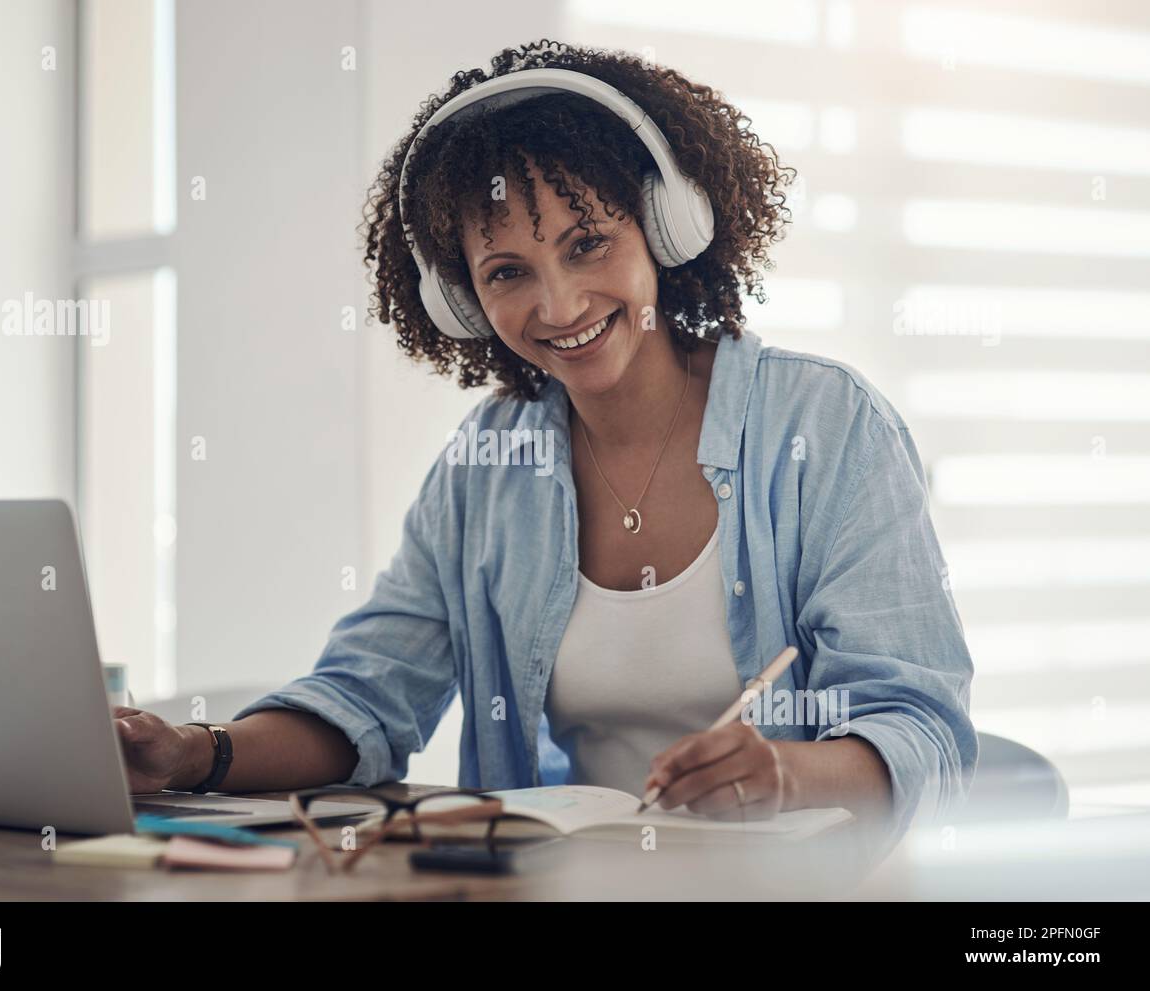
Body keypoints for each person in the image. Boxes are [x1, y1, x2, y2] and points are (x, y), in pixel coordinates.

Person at [112, 41, 977, 858]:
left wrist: (783, 774)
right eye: (506, 273)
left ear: (666, 229)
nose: (558, 305)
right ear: (460, 300)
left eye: (587, 244)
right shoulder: (487, 464)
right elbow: (366, 697)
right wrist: (195, 753)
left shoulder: (825, 428)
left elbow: (923, 732)